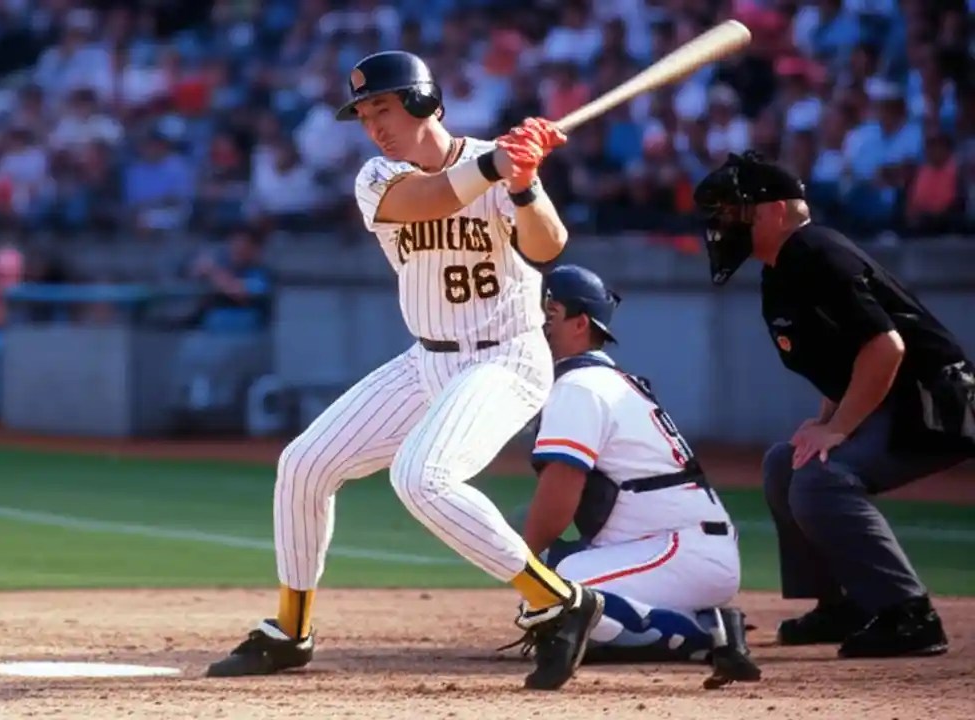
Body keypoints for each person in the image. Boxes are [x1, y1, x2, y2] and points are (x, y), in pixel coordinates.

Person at [206, 50, 605, 691]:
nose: (374, 125)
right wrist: (496, 166)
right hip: (427, 359)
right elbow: (426, 201)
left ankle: (558, 600)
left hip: (504, 355)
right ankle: (291, 630)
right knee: (304, 465)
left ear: (425, 103)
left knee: (423, 477)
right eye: (364, 113)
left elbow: (547, 246)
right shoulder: (379, 177)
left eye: (384, 108)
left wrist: (524, 182)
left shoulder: (497, 163)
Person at [692, 151, 975, 658]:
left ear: (777, 211)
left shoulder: (815, 252)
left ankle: (910, 615)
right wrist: (824, 421)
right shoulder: (781, 270)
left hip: (937, 403)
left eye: (738, 210)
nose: (725, 222)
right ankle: (843, 602)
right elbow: (841, 360)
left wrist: (839, 428)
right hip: (899, 399)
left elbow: (885, 346)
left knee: (824, 477)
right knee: (787, 462)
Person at [503, 264, 760, 689]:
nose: (535, 326)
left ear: (580, 323)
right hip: (670, 545)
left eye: (548, 314)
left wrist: (515, 562)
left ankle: (706, 634)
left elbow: (559, 494)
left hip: (679, 549)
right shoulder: (599, 380)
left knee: (554, 595)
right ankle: (690, 621)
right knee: (546, 592)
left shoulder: (580, 386)